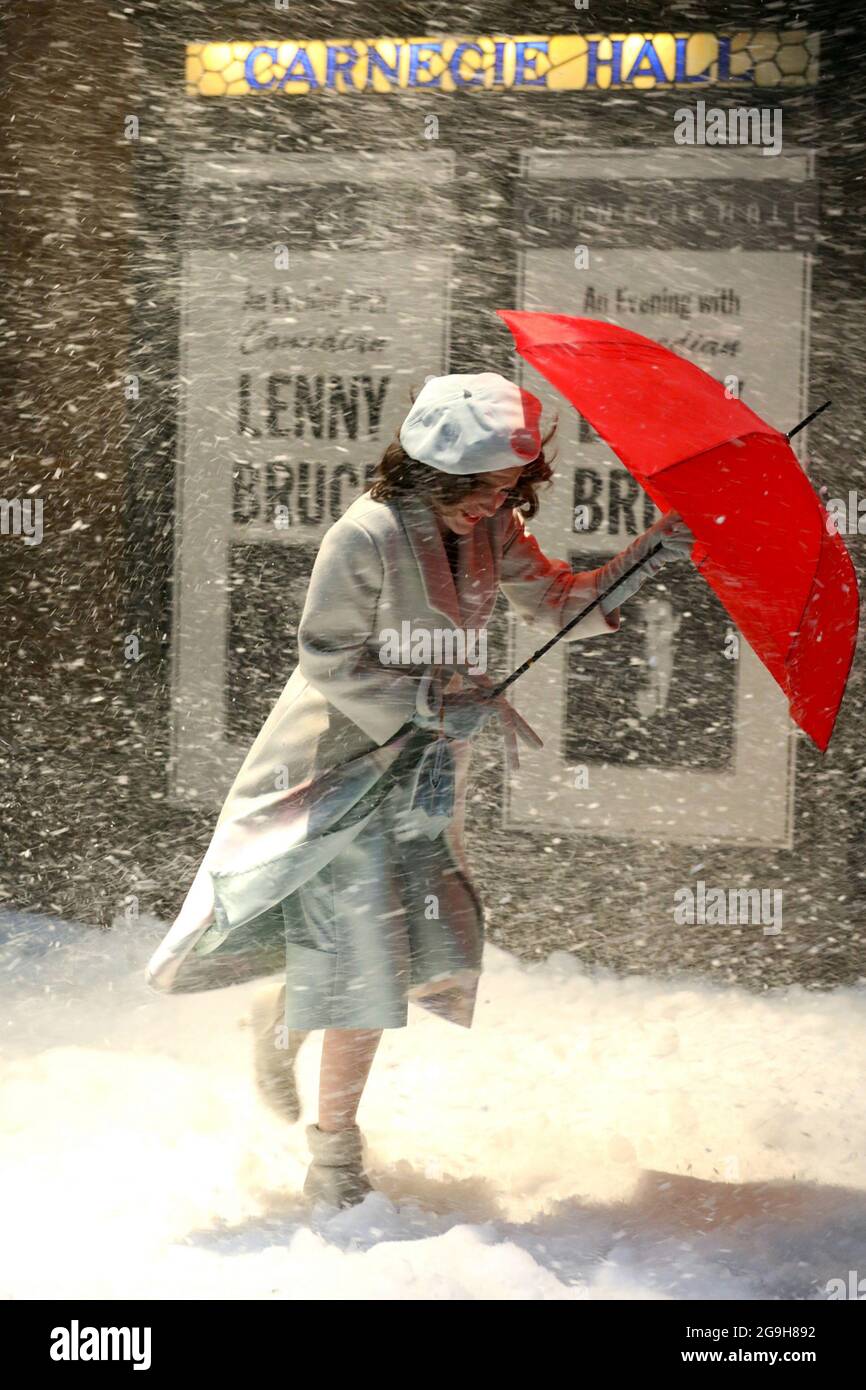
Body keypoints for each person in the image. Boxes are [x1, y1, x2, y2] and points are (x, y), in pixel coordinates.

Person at [146, 372, 692, 1209]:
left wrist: (651, 551)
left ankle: (287, 1013)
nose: (494, 503)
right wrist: (433, 696)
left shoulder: (492, 530)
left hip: (428, 769)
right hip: (341, 770)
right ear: (429, 471)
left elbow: (554, 600)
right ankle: (333, 1161)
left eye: (508, 488)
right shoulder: (362, 536)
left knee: (395, 948)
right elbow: (327, 657)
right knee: (368, 956)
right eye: (478, 487)